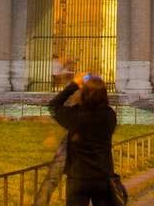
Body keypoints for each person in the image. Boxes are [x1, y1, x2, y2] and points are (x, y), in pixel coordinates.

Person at [50, 71, 118, 206]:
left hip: (78, 178)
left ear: (83, 94)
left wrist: (74, 84)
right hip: (103, 176)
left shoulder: (75, 116)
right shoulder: (110, 115)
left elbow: (54, 105)